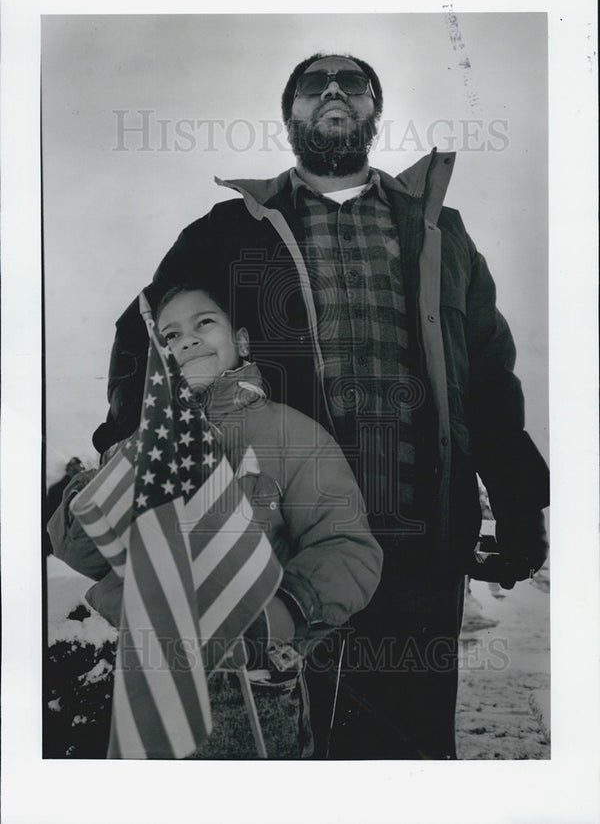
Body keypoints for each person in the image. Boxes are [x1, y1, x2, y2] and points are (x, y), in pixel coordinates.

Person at [91, 53, 549, 759]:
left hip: (423, 537)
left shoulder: (440, 232)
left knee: (414, 752)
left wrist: (519, 503)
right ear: (291, 116)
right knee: (305, 745)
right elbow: (148, 337)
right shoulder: (227, 231)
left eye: (352, 84)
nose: (334, 92)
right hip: (289, 536)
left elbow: (488, 376)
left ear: (373, 113)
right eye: (314, 85)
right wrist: (135, 461)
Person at [48, 282, 383, 759]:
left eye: (204, 322)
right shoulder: (141, 445)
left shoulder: (296, 436)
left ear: (241, 341)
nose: (186, 340)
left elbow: (348, 549)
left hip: (254, 686)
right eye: (170, 336)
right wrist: (102, 478)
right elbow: (79, 551)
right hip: (153, 680)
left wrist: (280, 614)